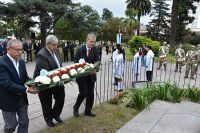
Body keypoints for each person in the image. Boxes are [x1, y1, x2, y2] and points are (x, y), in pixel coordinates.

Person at [0, 39, 37, 133]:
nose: (20, 52)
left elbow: (25, 77)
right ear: (8, 49)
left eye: (21, 50)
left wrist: (35, 83)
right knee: (11, 125)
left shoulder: (21, 62)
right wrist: (27, 89)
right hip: (8, 100)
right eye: (17, 50)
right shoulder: (1, 62)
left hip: (21, 99)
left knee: (24, 122)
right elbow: (7, 83)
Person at [33, 35, 65, 127]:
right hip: (44, 82)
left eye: (57, 45)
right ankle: (49, 119)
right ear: (48, 44)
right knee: (46, 102)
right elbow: (47, 72)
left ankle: (56, 115)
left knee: (61, 98)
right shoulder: (41, 54)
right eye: (54, 45)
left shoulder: (56, 51)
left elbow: (59, 65)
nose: (56, 47)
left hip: (57, 80)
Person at [73, 33, 100, 117]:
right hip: (81, 76)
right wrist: (81, 69)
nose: (93, 43)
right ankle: (76, 107)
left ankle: (88, 111)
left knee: (90, 94)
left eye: (94, 42)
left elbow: (97, 61)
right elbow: (75, 62)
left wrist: (95, 69)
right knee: (84, 93)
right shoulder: (79, 49)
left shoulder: (95, 49)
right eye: (91, 41)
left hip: (91, 76)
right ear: (87, 40)